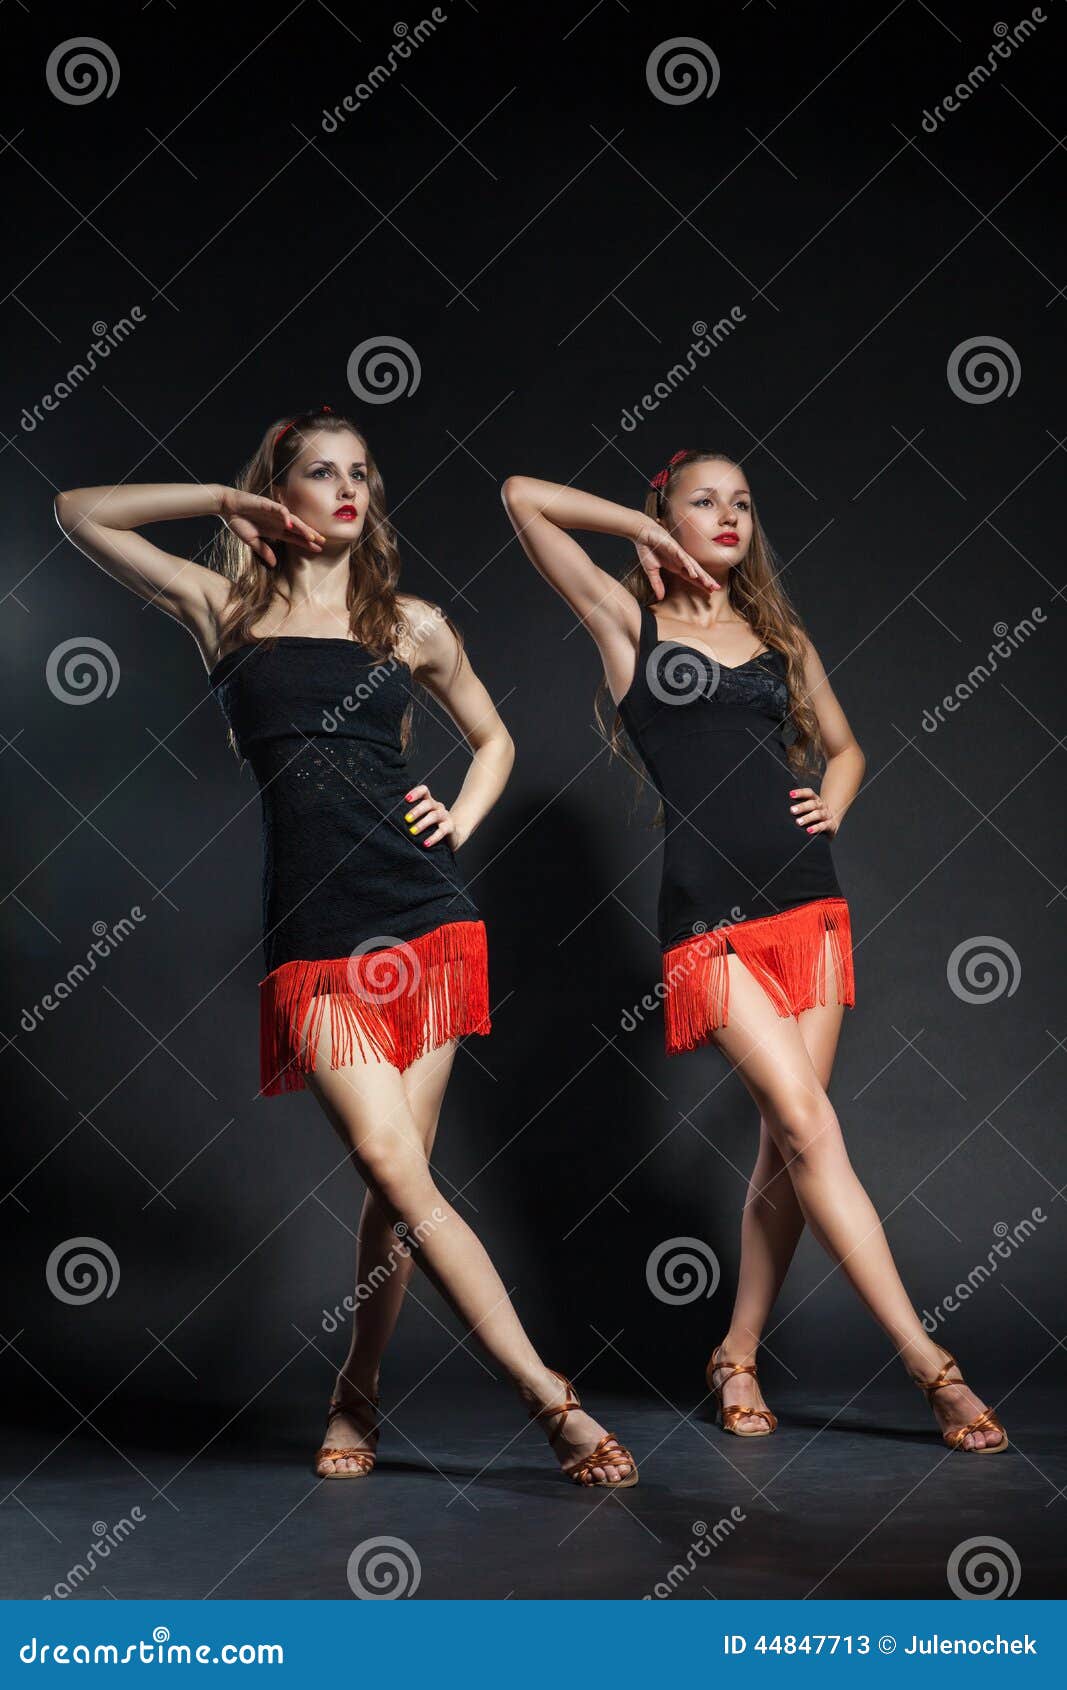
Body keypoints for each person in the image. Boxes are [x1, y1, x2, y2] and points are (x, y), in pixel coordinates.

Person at [52, 404, 639, 1489]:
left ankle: (355, 1394)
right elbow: (80, 511)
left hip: (426, 917)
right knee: (387, 1162)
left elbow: (492, 738)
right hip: (315, 933)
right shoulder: (227, 608)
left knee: (395, 1184)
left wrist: (458, 819)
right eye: (321, 472)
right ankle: (547, 1394)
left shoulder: (408, 624)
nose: (348, 489)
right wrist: (220, 500)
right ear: (280, 489)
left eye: (360, 472)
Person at [500, 449, 1007, 1456]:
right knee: (809, 1128)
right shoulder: (627, 623)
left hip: (808, 908)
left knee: (786, 1142)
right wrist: (639, 531)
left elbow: (846, 749)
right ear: (667, 514)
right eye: (704, 501)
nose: (728, 515)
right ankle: (929, 1364)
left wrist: (831, 805)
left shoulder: (779, 639)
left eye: (741, 501)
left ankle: (734, 1353)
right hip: (709, 919)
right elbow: (522, 497)